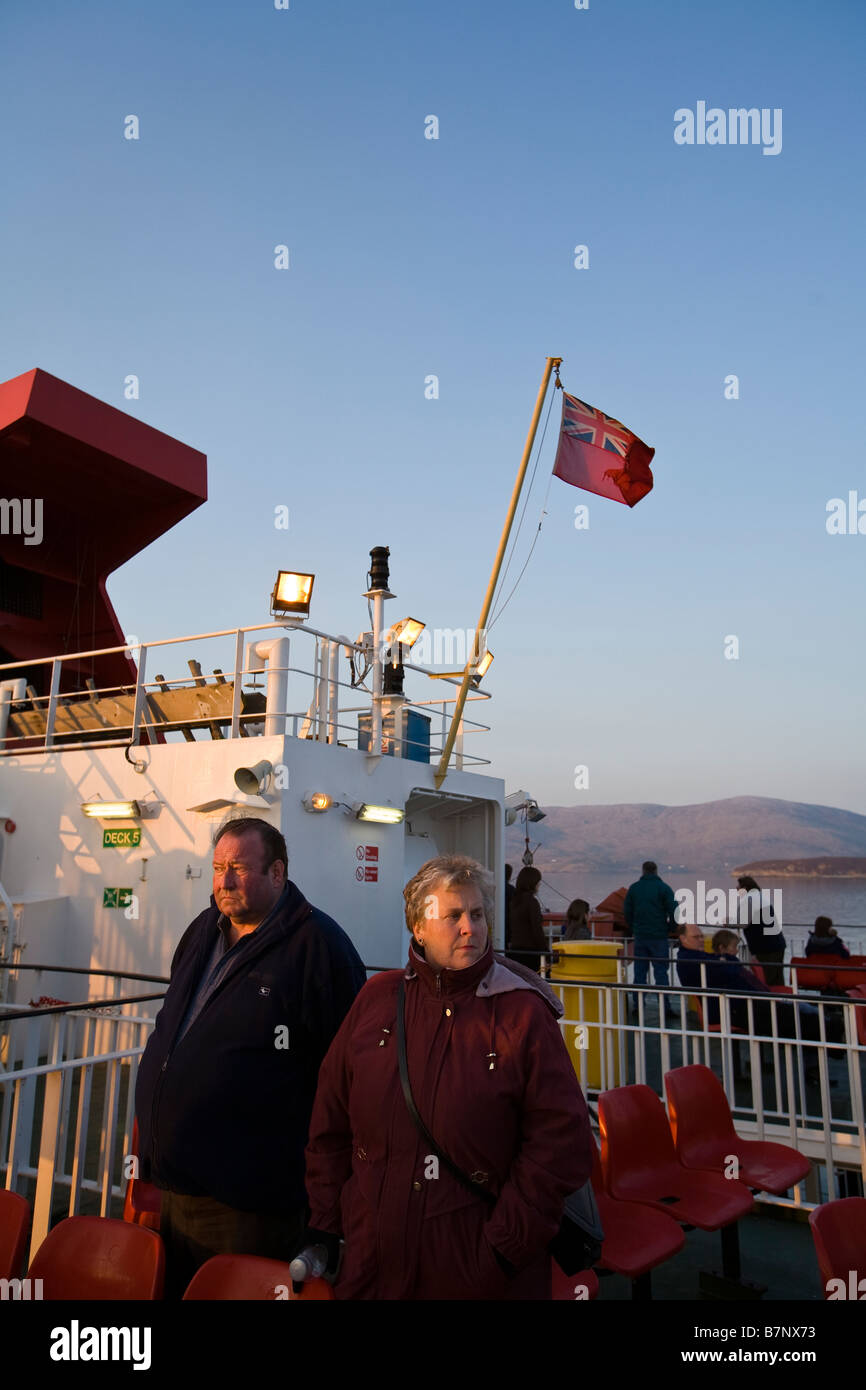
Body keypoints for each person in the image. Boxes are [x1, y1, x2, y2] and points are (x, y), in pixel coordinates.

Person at [304, 854, 594, 1300]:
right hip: (371, 1260)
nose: (470, 928)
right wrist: (326, 1222)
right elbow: (330, 1120)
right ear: (418, 927)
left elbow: (561, 1144)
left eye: (477, 915)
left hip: (476, 1267)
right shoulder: (377, 999)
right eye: (453, 915)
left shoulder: (521, 1013)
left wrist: (500, 1250)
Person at [135, 815, 367, 1298]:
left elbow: (347, 1085)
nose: (225, 880)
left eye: (239, 867)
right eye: (218, 866)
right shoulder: (203, 930)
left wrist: (328, 1208)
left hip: (250, 1203)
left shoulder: (319, 949)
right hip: (180, 1186)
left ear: (278, 873)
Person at [624, 860, 678, 1017]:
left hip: (640, 936)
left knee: (639, 973)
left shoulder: (634, 889)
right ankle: (665, 1007)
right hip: (659, 937)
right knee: (661, 973)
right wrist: (671, 928)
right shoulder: (664, 888)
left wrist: (633, 927)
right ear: (656, 871)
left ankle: (638, 1005)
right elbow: (675, 910)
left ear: (643, 871)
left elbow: (627, 911)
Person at [733, 874, 788, 987]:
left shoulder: (749, 900)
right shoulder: (760, 897)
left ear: (745, 888)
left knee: (766, 982)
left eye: (738, 887)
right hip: (777, 944)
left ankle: (769, 1003)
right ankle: (783, 1002)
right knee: (778, 981)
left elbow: (742, 922)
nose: (736, 889)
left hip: (765, 948)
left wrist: (727, 922)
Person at [507, 864, 548, 972]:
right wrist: (546, 952)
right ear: (532, 883)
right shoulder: (532, 902)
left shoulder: (514, 901)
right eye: (538, 882)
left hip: (515, 951)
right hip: (530, 953)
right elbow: (537, 930)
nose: (539, 884)